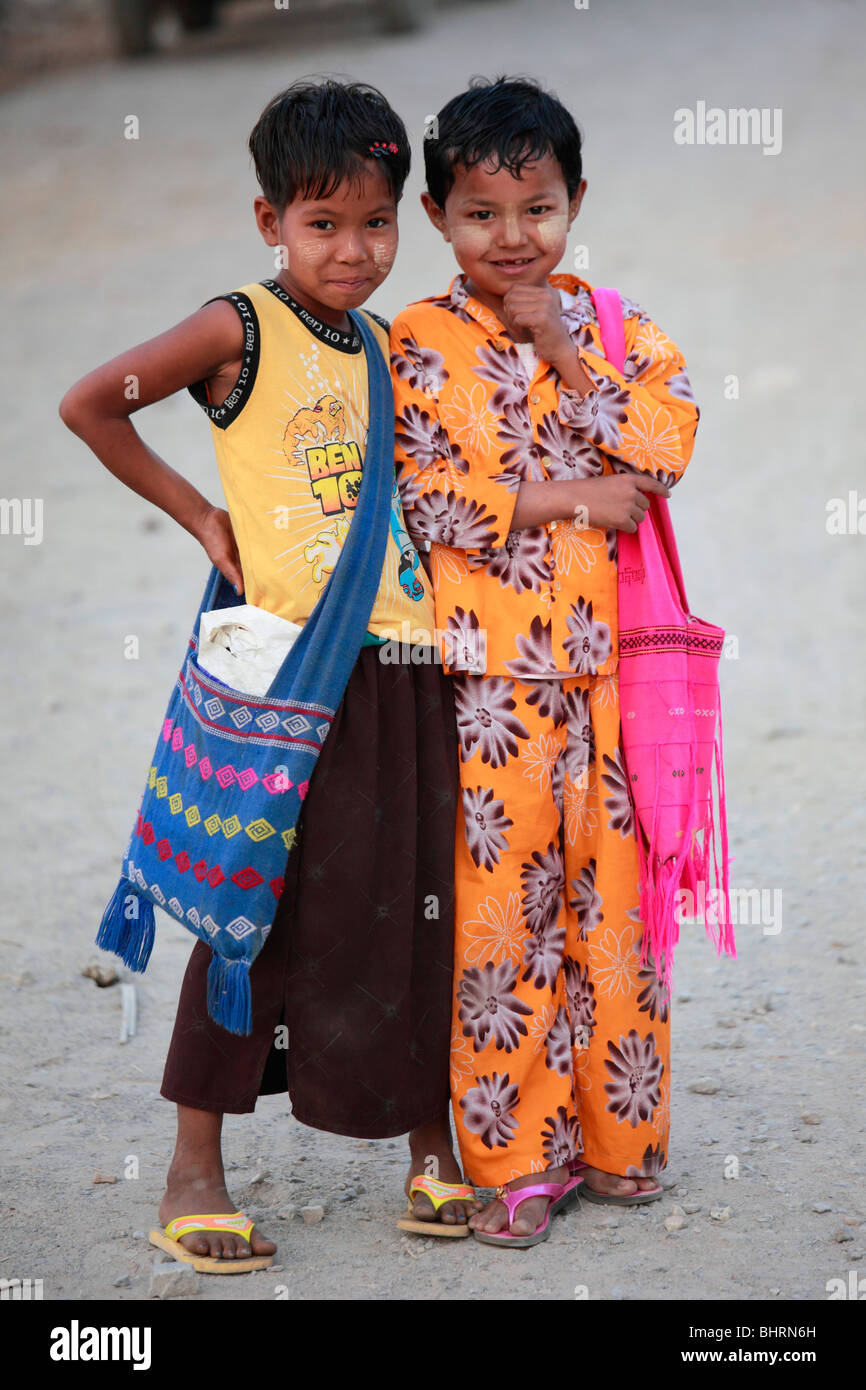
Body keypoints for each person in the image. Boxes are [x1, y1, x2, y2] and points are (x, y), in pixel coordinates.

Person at [59, 79, 476, 1271]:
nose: (352, 251)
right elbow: (91, 404)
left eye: (377, 222)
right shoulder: (238, 329)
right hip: (292, 681)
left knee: (414, 906)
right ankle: (194, 1169)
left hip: (402, 664)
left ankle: (429, 1150)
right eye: (321, 222)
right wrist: (200, 515)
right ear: (267, 222)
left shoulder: (389, 348)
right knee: (259, 915)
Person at [390, 76, 699, 1246]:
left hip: (610, 680)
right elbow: (422, 500)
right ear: (436, 216)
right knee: (495, 929)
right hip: (483, 693)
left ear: (575, 202)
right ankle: (513, 1160)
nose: (511, 238)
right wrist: (572, 493)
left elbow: (663, 452)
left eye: (536, 207)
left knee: (611, 916)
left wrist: (568, 353)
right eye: (480, 213)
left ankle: (621, 1140)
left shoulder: (618, 328)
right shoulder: (414, 342)